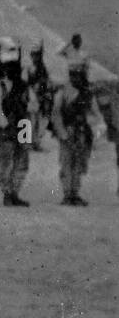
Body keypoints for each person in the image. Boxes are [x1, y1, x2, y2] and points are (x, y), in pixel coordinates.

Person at [0, 38, 36, 207]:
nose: (12, 70)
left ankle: (15, 192)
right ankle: (7, 193)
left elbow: (33, 105)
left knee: (22, 161)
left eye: (14, 66)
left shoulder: (24, 86)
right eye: (9, 67)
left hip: (23, 126)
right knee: (6, 163)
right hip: (7, 128)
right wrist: (5, 125)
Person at [52, 56, 102, 206]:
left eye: (78, 74)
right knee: (67, 163)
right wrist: (62, 133)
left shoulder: (87, 93)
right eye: (73, 74)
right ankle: (67, 194)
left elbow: (96, 114)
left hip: (82, 134)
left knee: (79, 164)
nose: (75, 77)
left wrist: (91, 127)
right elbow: (56, 114)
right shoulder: (63, 92)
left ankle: (75, 193)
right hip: (67, 132)